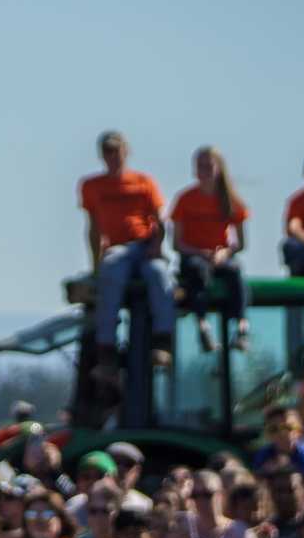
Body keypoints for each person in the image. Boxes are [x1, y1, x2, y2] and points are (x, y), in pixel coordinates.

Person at [80, 131, 175, 387]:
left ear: (126, 152)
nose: (112, 156)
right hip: (118, 249)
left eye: (116, 150)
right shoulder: (92, 186)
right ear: (102, 155)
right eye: (107, 151)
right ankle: (106, 354)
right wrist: (95, 264)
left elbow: (160, 221)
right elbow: (94, 228)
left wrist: (156, 246)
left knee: (159, 275)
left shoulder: (144, 182)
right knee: (110, 273)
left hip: (144, 246)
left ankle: (162, 342)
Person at [170, 146, 251, 353]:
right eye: (201, 166)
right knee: (198, 272)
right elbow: (176, 243)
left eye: (209, 166)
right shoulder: (185, 199)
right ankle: (203, 327)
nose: (205, 171)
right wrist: (199, 253)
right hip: (194, 257)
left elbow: (240, 243)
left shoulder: (231, 200)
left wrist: (224, 252)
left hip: (220, 256)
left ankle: (241, 327)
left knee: (234, 270)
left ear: (219, 169)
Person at [253, 406, 304, 478]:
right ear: (267, 433)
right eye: (274, 429)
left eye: (288, 427)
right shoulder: (263, 454)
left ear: (300, 430)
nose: (282, 433)